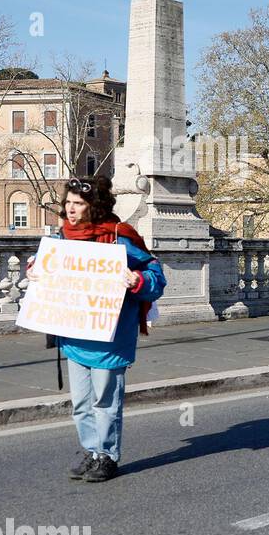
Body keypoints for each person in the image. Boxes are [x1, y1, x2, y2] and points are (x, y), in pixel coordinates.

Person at [26, 176, 167, 483]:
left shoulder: (119, 236)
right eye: (68, 203)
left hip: (110, 338)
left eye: (78, 203)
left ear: (95, 206)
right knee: (81, 404)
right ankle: (92, 451)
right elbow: (47, 269)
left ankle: (107, 456)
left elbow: (156, 276)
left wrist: (138, 280)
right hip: (75, 334)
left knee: (105, 402)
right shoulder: (62, 238)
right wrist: (36, 267)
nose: (70, 209)